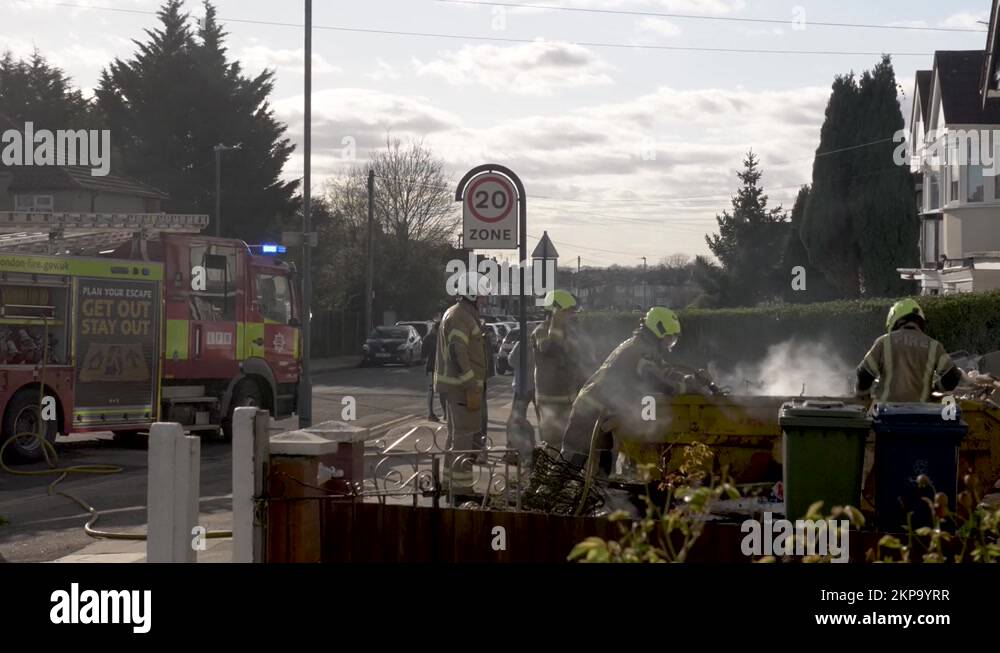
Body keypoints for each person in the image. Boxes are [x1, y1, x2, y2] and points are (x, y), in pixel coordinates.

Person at [559, 307, 692, 475]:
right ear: (658, 332)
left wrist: (687, 378)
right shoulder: (638, 350)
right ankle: (543, 497)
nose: (670, 344)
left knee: (602, 464)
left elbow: (663, 370)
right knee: (571, 462)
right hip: (590, 410)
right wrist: (685, 387)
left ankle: (594, 498)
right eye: (669, 338)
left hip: (601, 412)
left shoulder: (644, 347)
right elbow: (655, 380)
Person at [433, 272, 490, 500]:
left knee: (456, 436)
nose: (485, 300)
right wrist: (470, 384)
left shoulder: (460, 314)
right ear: (472, 293)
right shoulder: (460, 317)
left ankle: (450, 484)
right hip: (463, 388)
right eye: (483, 295)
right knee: (464, 438)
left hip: (457, 388)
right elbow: (459, 351)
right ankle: (461, 490)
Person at [855, 298, 962, 402]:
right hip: (921, 414)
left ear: (894, 319)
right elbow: (952, 376)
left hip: (887, 414)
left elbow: (864, 373)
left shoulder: (884, 342)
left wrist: (862, 394)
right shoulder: (933, 346)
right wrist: (935, 387)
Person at [531, 289, 587, 450]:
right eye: (567, 312)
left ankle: (560, 475)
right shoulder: (541, 331)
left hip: (567, 398)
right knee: (553, 445)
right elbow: (550, 349)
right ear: (556, 311)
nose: (571, 316)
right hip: (550, 399)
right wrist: (555, 323)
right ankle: (548, 475)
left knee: (567, 444)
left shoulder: (569, 332)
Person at [505, 337, 540, 464]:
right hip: (535, 385)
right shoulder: (537, 342)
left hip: (522, 387)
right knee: (541, 417)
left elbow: (511, 361)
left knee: (515, 420)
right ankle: (532, 447)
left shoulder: (521, 344)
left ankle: (513, 449)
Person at [422, 319, 446, 422]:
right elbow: (423, 354)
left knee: (442, 390)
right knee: (432, 390)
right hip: (432, 367)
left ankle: (445, 413)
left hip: (440, 367)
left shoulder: (441, 337)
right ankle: (430, 413)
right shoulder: (429, 338)